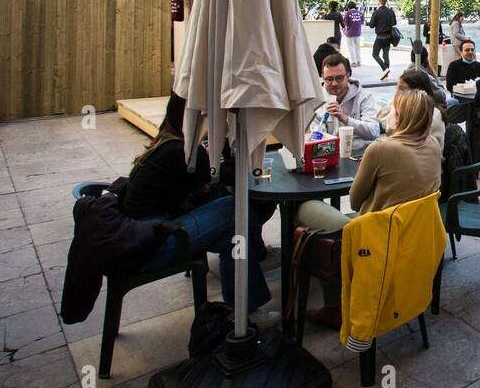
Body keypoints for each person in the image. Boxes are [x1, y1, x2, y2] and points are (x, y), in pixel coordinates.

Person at [120, 92, 274, 319]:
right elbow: (233, 173)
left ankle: (244, 308)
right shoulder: (183, 152)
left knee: (233, 234)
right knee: (235, 210)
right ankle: (248, 302)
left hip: (141, 234)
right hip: (154, 243)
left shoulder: (167, 142)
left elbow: (209, 181)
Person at [296, 89, 441, 326]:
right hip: (410, 241)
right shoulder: (433, 145)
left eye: (393, 109)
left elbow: (354, 201)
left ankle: (333, 304)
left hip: (373, 242)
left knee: (304, 207)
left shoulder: (381, 149)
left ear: (401, 116)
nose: (388, 113)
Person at [319, 54, 383, 147]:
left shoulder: (363, 97)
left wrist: (346, 119)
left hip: (358, 154)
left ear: (348, 75)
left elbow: (374, 131)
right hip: (329, 154)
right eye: (329, 79)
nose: (334, 83)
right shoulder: (317, 101)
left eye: (339, 78)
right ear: (322, 77)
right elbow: (314, 138)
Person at [367, 0, 397, 78]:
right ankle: (386, 72)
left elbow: (371, 25)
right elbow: (394, 23)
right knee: (386, 55)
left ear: (379, 2)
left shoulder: (376, 12)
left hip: (380, 37)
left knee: (375, 54)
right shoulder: (391, 11)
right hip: (388, 37)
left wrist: (377, 23)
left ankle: (385, 69)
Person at [343, 0, 364, 69]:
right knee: (357, 47)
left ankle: (353, 62)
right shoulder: (360, 13)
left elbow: (345, 23)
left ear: (349, 7)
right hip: (358, 32)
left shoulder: (348, 13)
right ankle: (359, 61)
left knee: (351, 47)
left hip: (349, 32)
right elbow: (362, 22)